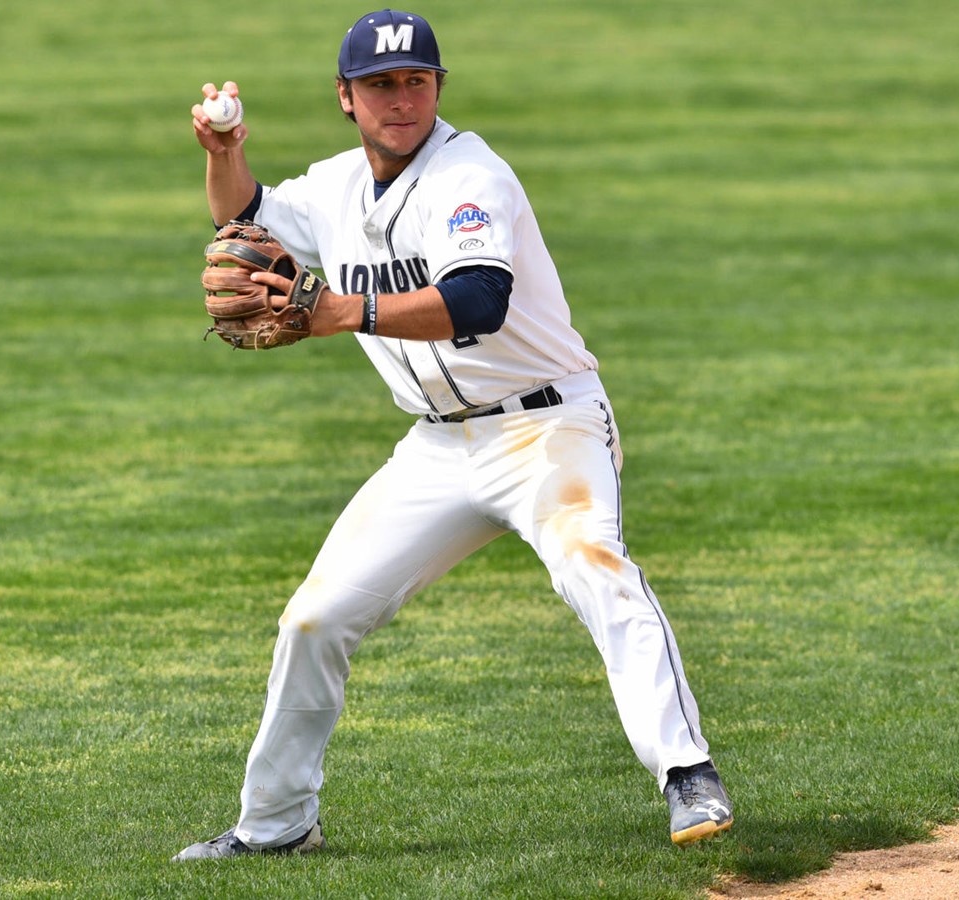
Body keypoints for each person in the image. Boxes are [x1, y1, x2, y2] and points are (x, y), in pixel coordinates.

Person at [174, 9, 732, 860]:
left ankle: (688, 773)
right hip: (436, 448)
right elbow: (243, 222)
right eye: (380, 86)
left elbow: (478, 300)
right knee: (314, 619)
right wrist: (224, 156)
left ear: (437, 89)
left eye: (417, 82)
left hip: (547, 426)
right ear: (346, 97)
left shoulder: (470, 176)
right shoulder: (333, 187)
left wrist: (341, 311)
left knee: (593, 567)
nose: (400, 100)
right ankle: (276, 826)